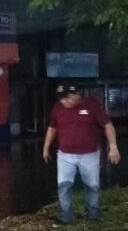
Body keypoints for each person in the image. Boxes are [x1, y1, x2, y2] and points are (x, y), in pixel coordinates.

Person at [43, 84, 120, 223]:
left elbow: (108, 125)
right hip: (65, 155)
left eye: (67, 98)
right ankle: (65, 216)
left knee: (92, 186)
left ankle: (93, 215)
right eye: (61, 99)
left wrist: (113, 147)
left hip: (89, 155)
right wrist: (46, 147)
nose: (63, 102)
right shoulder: (58, 108)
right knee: (64, 186)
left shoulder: (92, 105)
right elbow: (52, 127)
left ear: (76, 95)